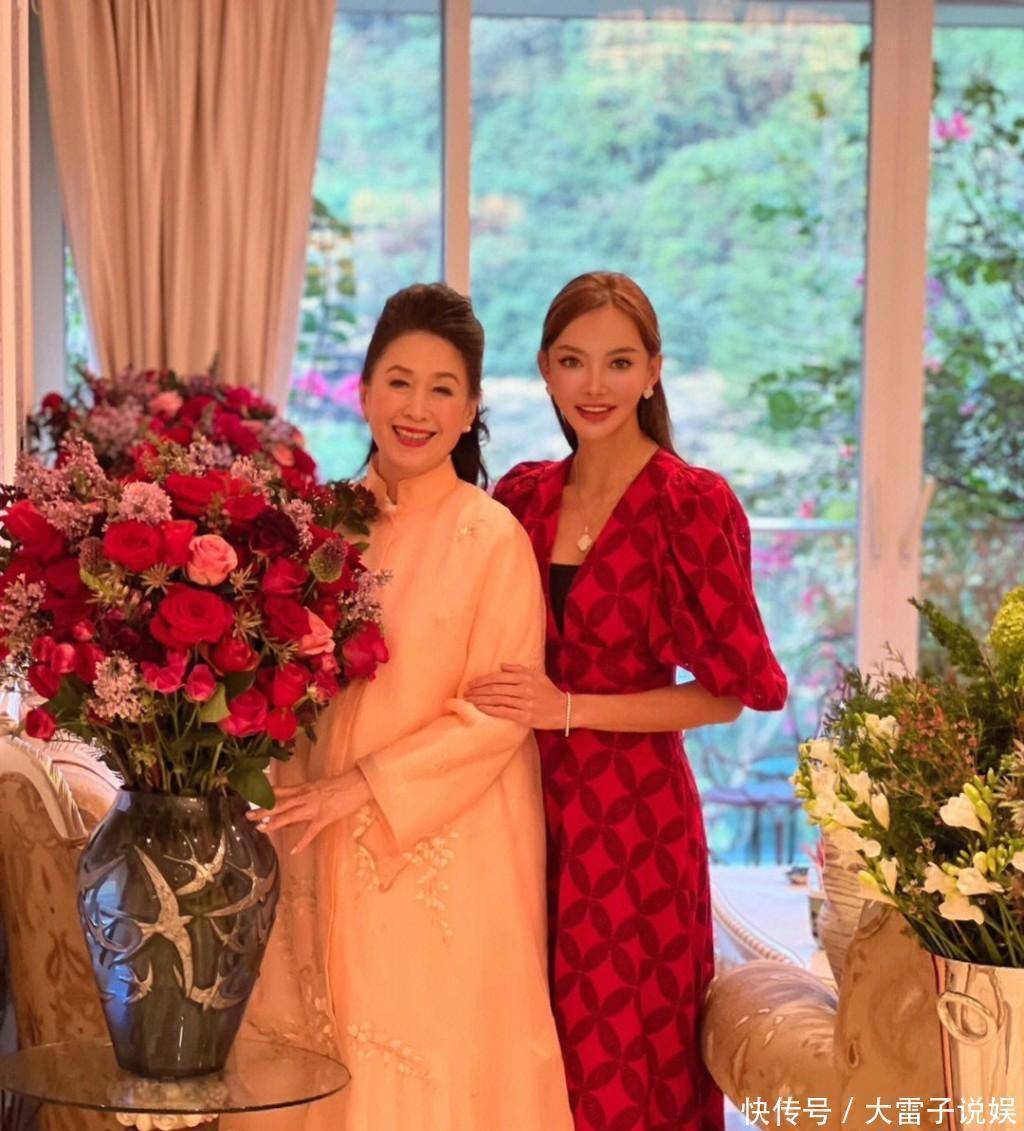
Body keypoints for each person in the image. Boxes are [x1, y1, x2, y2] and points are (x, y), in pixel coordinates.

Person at [237, 283, 573, 1131]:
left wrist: (361, 786)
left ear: (470, 412)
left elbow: (497, 713)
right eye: (399, 381)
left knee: (427, 1066)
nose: (416, 408)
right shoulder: (321, 525)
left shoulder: (490, 538)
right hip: (311, 834)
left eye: (442, 388)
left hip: (445, 854)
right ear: (363, 390)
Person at [467, 271, 788, 1131]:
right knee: (527, 1050)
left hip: (634, 824)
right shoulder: (521, 497)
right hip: (518, 808)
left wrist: (568, 707)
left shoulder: (691, 503)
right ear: (545, 369)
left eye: (618, 362)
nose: (595, 384)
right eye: (573, 361)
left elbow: (730, 695)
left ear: (653, 371)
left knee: (625, 1063)